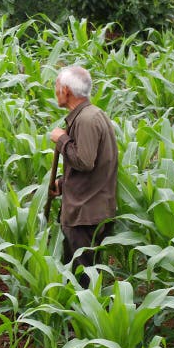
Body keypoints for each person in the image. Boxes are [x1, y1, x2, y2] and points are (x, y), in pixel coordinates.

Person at [49, 65, 117, 287]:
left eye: (57, 86)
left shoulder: (86, 120)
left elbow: (85, 162)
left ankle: (80, 320)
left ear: (66, 90)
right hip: (89, 208)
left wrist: (61, 139)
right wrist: (62, 184)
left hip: (84, 215)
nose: (56, 91)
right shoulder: (92, 115)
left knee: (81, 281)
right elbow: (95, 167)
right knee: (83, 275)